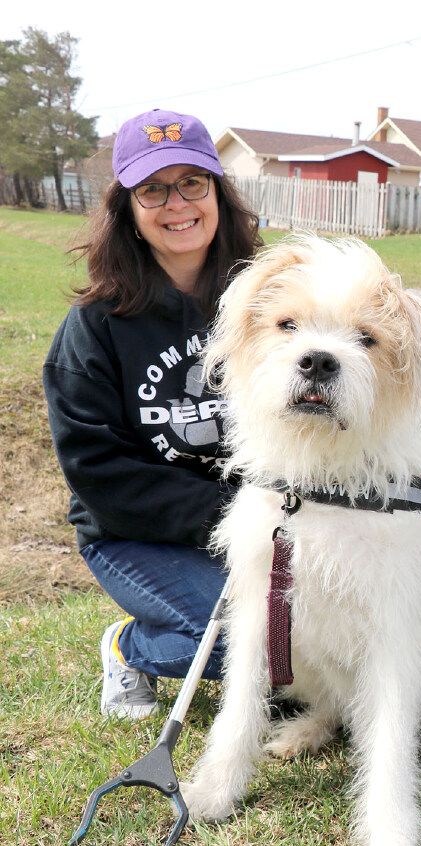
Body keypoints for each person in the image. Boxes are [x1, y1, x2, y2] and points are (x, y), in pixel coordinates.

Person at [43, 109, 262, 718]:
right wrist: (234, 516)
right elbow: (99, 473)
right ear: (129, 210)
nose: (177, 204)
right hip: (135, 534)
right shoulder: (95, 326)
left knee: (304, 637)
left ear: (218, 192)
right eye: (154, 189)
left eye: (192, 182)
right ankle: (129, 647)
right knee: (240, 643)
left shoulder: (266, 302)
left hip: (262, 521)